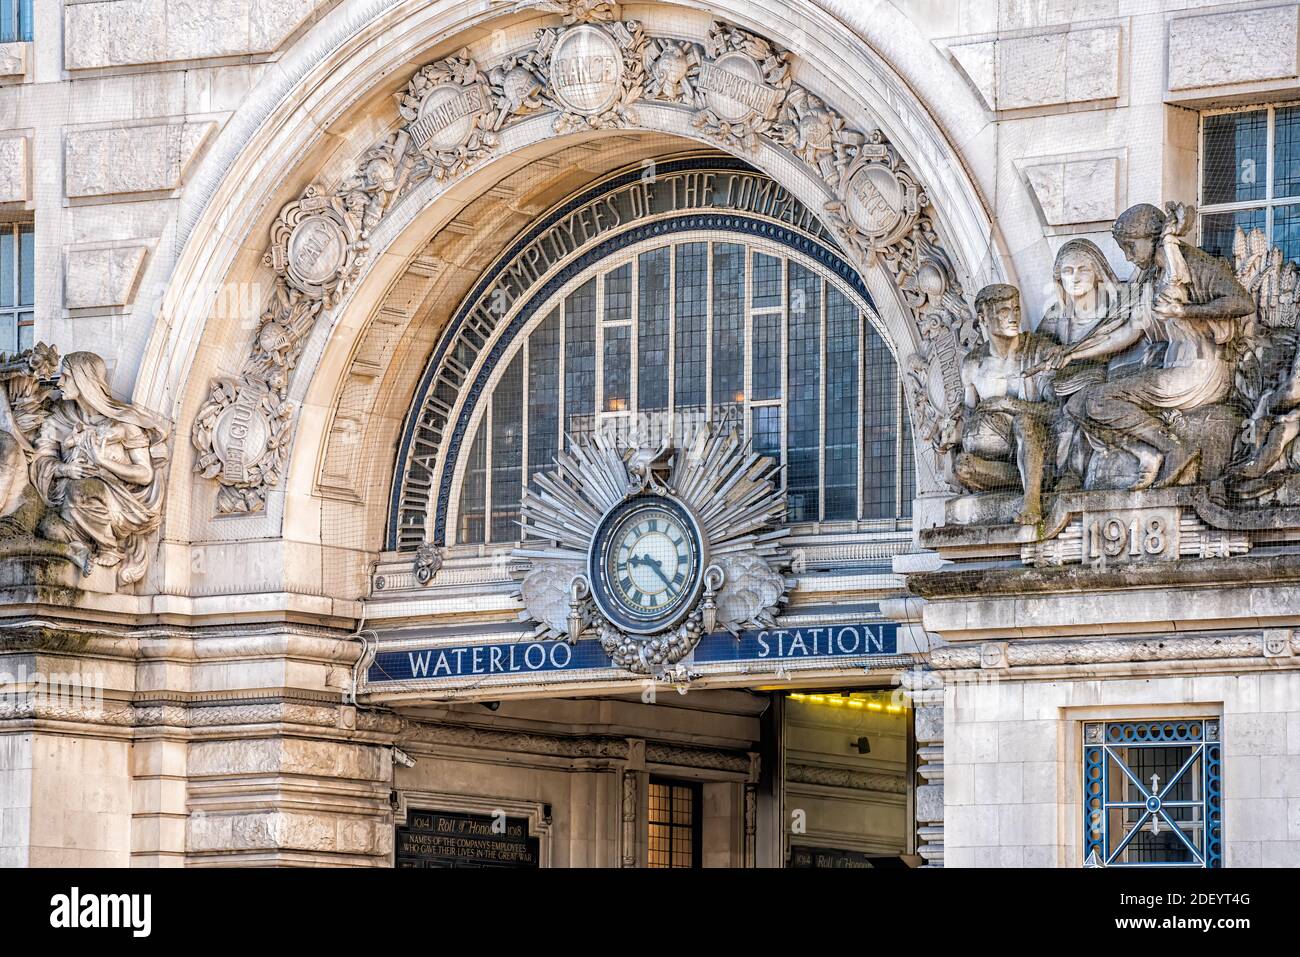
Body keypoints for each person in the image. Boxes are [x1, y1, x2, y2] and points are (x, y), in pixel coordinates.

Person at [1044, 203, 1254, 489]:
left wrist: (1185, 311)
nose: (1129, 257)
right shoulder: (1152, 277)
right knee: (1078, 405)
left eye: (1131, 247)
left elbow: (1242, 303)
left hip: (1198, 371)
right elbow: (1129, 332)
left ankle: (1173, 448)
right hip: (1172, 368)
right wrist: (1072, 354)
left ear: (1152, 238)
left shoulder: (1190, 263)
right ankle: (1147, 453)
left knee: (1099, 400)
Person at [30, 352, 169, 584]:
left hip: (114, 500)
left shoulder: (123, 422)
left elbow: (145, 474)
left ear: (84, 380)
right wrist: (66, 470)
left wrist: (104, 462)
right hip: (67, 505)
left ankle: (109, 547)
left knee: (80, 491)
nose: (59, 382)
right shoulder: (59, 419)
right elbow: (41, 459)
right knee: (47, 528)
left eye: (66, 376)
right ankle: (80, 549)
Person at [952, 284, 1058, 524]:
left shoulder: (1039, 352)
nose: (1013, 317)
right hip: (996, 460)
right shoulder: (972, 365)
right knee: (962, 466)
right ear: (983, 318)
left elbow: (1058, 411)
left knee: (1023, 422)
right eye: (1003, 311)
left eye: (1016, 309)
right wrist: (951, 434)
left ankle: (1031, 501)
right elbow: (969, 418)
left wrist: (1008, 404)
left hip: (1037, 441)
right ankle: (1034, 477)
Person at [1038, 239, 1123, 488]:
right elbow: (1038, 346)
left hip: (1105, 377)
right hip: (1064, 382)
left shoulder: (1115, 307)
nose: (1074, 277)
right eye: (1067, 271)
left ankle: (1072, 473)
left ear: (1097, 272)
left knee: (1077, 408)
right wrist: (1049, 351)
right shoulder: (1057, 313)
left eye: (1082, 269)